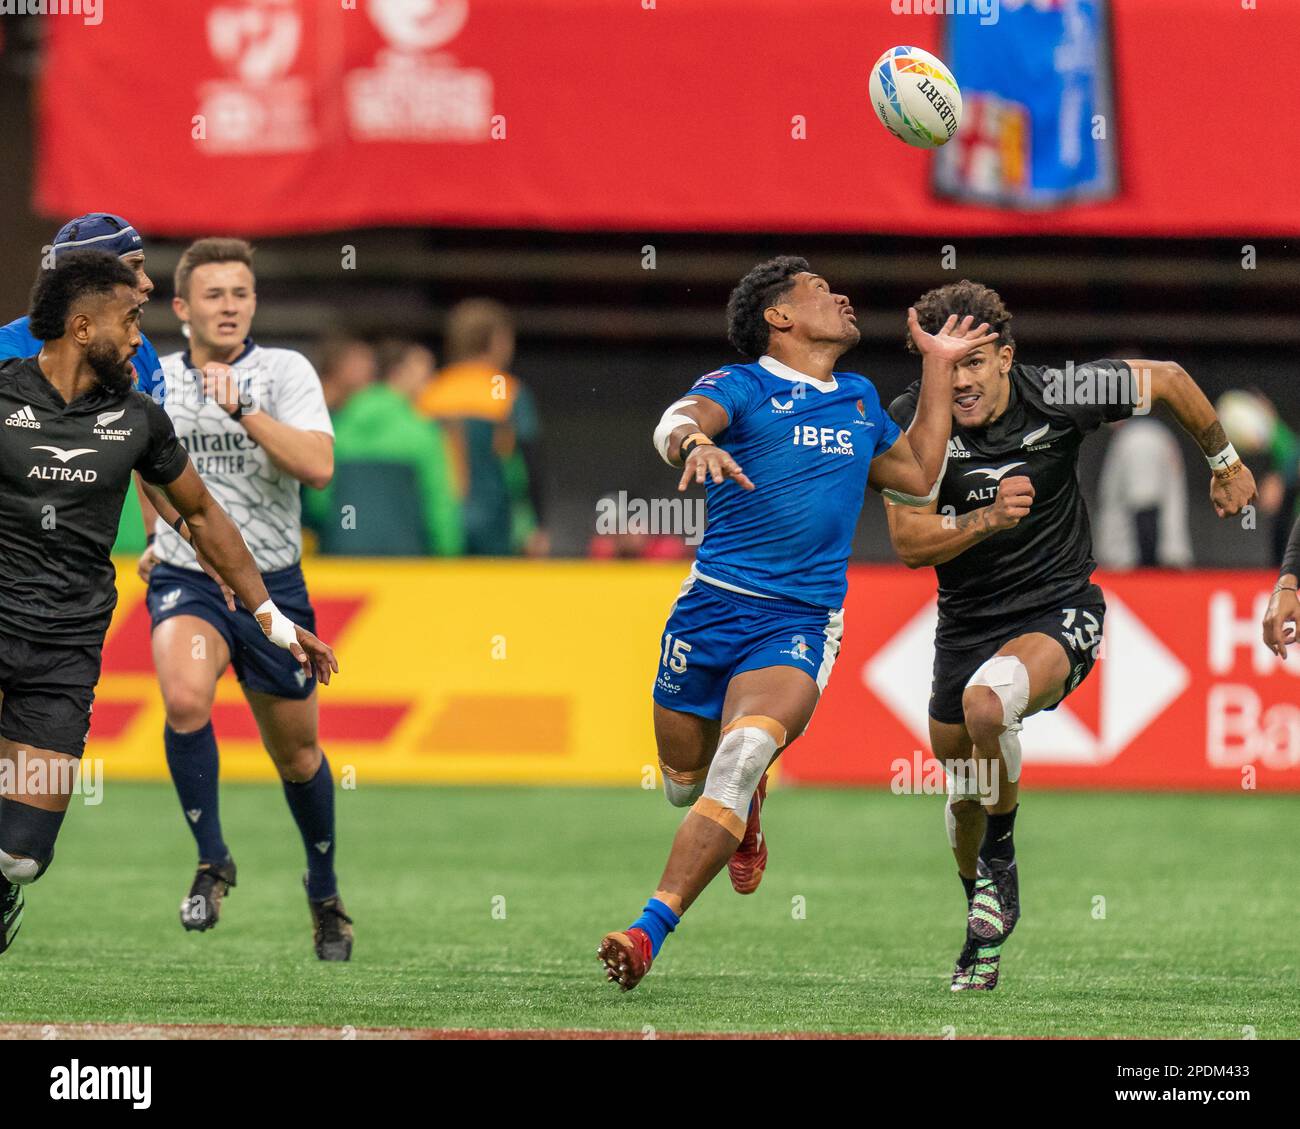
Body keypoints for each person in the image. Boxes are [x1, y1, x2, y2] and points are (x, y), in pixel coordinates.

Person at [597, 256, 997, 990]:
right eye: (818, 290)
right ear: (779, 319)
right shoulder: (743, 384)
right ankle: (746, 813)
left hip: (799, 623)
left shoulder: (858, 398)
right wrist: (696, 443)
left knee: (743, 754)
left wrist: (938, 367)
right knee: (683, 784)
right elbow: (676, 420)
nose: (841, 295)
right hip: (710, 611)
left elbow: (919, 477)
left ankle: (648, 928)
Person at [882, 280, 1257, 992]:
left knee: (988, 703)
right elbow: (908, 541)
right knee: (964, 790)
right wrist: (986, 520)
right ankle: (981, 928)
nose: (960, 380)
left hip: (1060, 609)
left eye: (975, 361)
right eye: (946, 363)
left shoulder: (1059, 390)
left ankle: (1005, 857)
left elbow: (1171, 381)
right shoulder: (913, 422)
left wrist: (1224, 461)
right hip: (965, 623)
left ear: (1006, 356)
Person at [0, 251, 336, 958]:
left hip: (62, 653)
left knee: (22, 856)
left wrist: (270, 617)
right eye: (128, 321)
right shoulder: (2, 395)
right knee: (187, 698)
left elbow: (207, 517)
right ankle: (212, 857)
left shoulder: (138, 418)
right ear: (82, 325)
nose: (137, 339)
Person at [138, 238, 353, 960]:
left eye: (240, 294)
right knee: (185, 697)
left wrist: (246, 411)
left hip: (273, 583)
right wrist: (156, 531)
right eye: (213, 294)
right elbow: (144, 466)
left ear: (253, 302)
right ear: (181, 307)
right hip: (189, 576)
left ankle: (323, 890)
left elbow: (320, 468)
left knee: (297, 756)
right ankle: (212, 860)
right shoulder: (156, 377)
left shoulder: (284, 371)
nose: (228, 306)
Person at [417, 299, 548, 556]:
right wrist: (538, 526)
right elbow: (531, 463)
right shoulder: (507, 391)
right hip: (497, 523)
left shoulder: (430, 393)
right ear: (497, 340)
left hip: (439, 523)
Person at [322, 339, 464, 555]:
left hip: (345, 556)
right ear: (397, 373)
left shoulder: (339, 428)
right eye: (424, 377)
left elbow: (321, 500)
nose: (430, 384)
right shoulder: (424, 434)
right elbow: (439, 506)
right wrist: (448, 553)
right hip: (405, 562)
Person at [1095, 417, 1193, 568]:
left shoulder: (1139, 438)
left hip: (1135, 568)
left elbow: (1146, 510)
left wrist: (1147, 574)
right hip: (1153, 566)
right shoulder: (1151, 433)